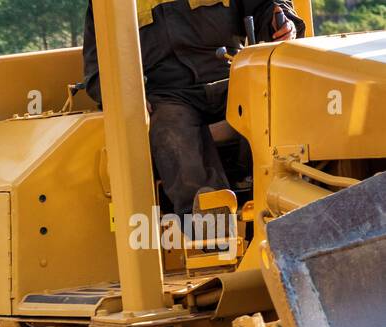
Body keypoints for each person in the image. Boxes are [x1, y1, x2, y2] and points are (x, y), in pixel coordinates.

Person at [82, 1, 303, 217]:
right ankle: (210, 220)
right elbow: (97, 72)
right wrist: (126, 92)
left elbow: (265, 6)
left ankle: (286, 200)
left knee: (273, 102)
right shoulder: (106, 6)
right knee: (170, 129)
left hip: (232, 77)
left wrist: (282, 22)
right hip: (166, 93)